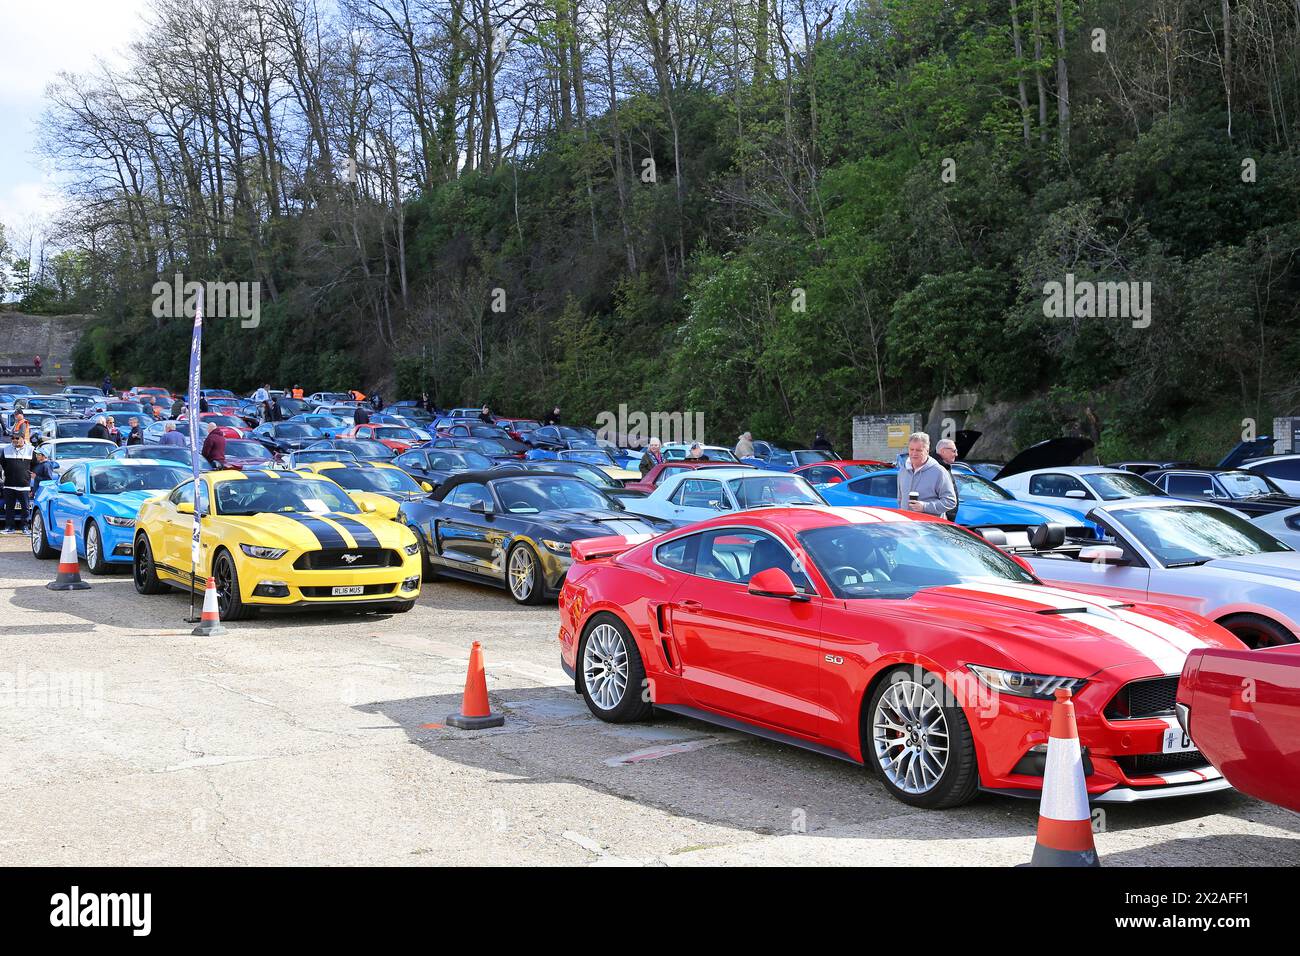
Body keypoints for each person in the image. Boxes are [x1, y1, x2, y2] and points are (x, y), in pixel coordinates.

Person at [896, 432, 956, 516]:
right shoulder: (903, 471)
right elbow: (900, 499)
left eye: (918, 450)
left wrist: (925, 507)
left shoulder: (939, 472)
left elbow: (950, 501)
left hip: (930, 527)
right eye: (911, 449)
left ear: (927, 451)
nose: (914, 453)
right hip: (908, 526)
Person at [1, 431, 35, 534]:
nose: (15, 440)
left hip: (23, 486)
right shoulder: (5, 450)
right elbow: (3, 464)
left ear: (23, 438)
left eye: (17, 438)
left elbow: (35, 465)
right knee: (9, 509)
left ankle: (25, 527)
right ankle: (9, 528)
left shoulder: (31, 450)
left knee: (25, 509)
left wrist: (31, 474)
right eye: (13, 439)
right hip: (9, 485)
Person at [934, 437, 961, 522]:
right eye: (954, 451)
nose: (956, 454)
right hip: (939, 520)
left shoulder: (945, 467)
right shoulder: (935, 469)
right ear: (943, 451)